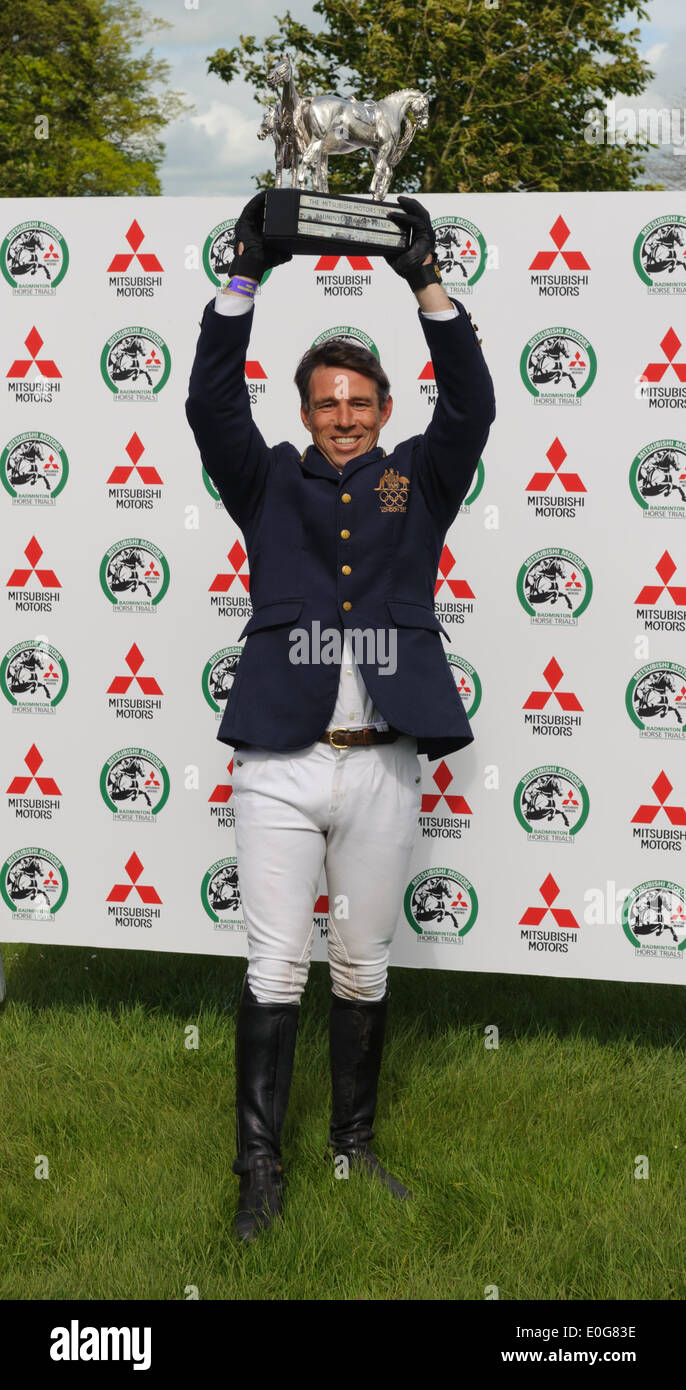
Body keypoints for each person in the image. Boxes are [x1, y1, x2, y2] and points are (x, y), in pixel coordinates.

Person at [185, 191, 496, 1243]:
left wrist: (426, 285)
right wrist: (243, 275)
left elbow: (473, 408)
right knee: (273, 967)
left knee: (362, 963)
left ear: (379, 402)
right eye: (327, 401)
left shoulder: (422, 475)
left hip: (382, 767)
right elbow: (208, 404)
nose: (346, 414)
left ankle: (352, 1149)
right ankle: (257, 1174)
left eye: (361, 398)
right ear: (306, 409)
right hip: (277, 760)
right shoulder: (263, 480)